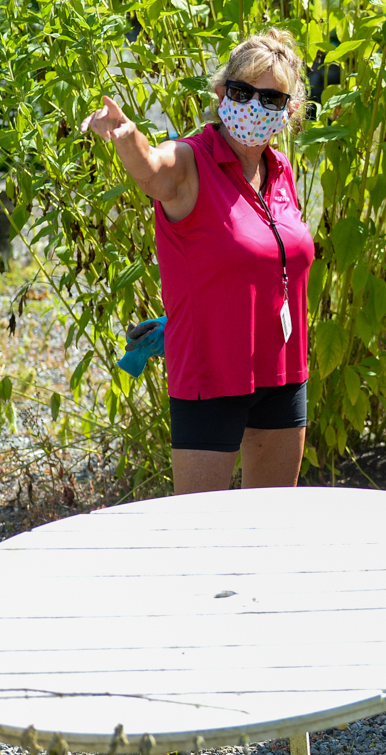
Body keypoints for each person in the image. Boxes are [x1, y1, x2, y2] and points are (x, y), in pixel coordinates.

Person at [82, 29, 313, 494]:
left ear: (288, 111)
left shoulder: (282, 169)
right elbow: (153, 168)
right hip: (212, 377)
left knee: (270, 532)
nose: (251, 105)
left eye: (269, 97)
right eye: (241, 91)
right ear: (221, 92)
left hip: (284, 373)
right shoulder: (191, 162)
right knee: (203, 540)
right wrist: (129, 140)